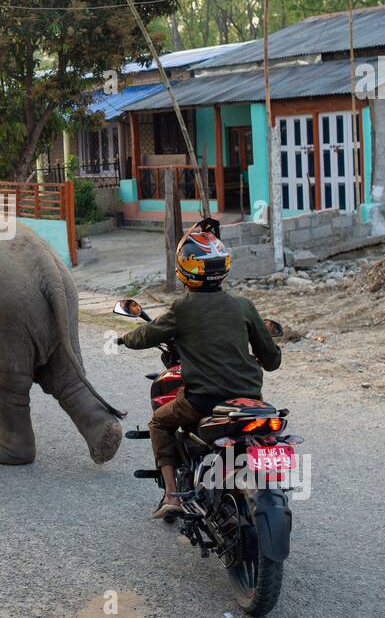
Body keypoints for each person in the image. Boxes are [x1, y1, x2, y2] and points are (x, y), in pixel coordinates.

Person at [118, 219, 281, 518]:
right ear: (223, 267)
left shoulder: (183, 308)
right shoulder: (243, 306)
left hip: (203, 401)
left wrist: (124, 339)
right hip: (251, 399)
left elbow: (147, 334)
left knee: (158, 422)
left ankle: (171, 497)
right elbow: (272, 360)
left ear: (185, 270)